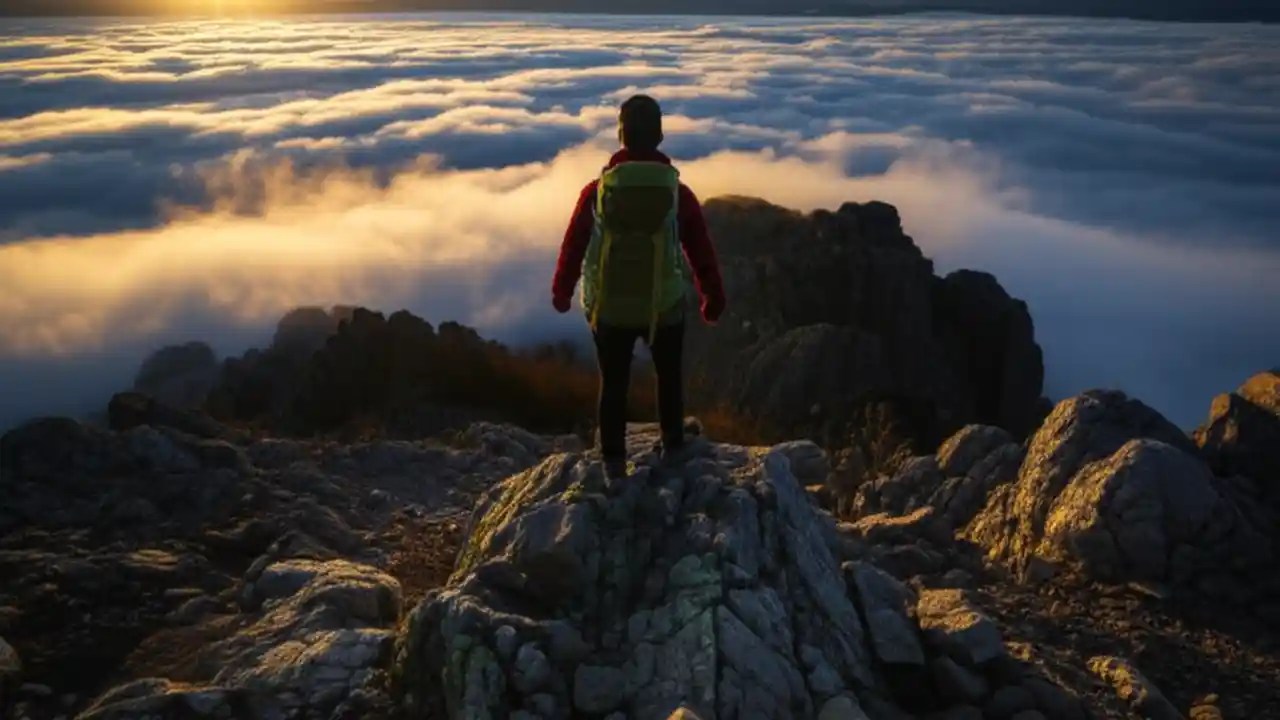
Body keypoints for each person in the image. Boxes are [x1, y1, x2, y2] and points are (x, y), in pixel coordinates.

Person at [551, 95, 726, 478]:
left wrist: (562, 290)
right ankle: (673, 444)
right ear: (660, 136)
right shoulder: (677, 193)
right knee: (669, 377)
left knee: (613, 383)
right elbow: (700, 249)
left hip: (609, 305)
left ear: (621, 135)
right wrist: (712, 296)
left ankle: (613, 463)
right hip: (663, 304)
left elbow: (574, 243)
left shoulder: (597, 191)